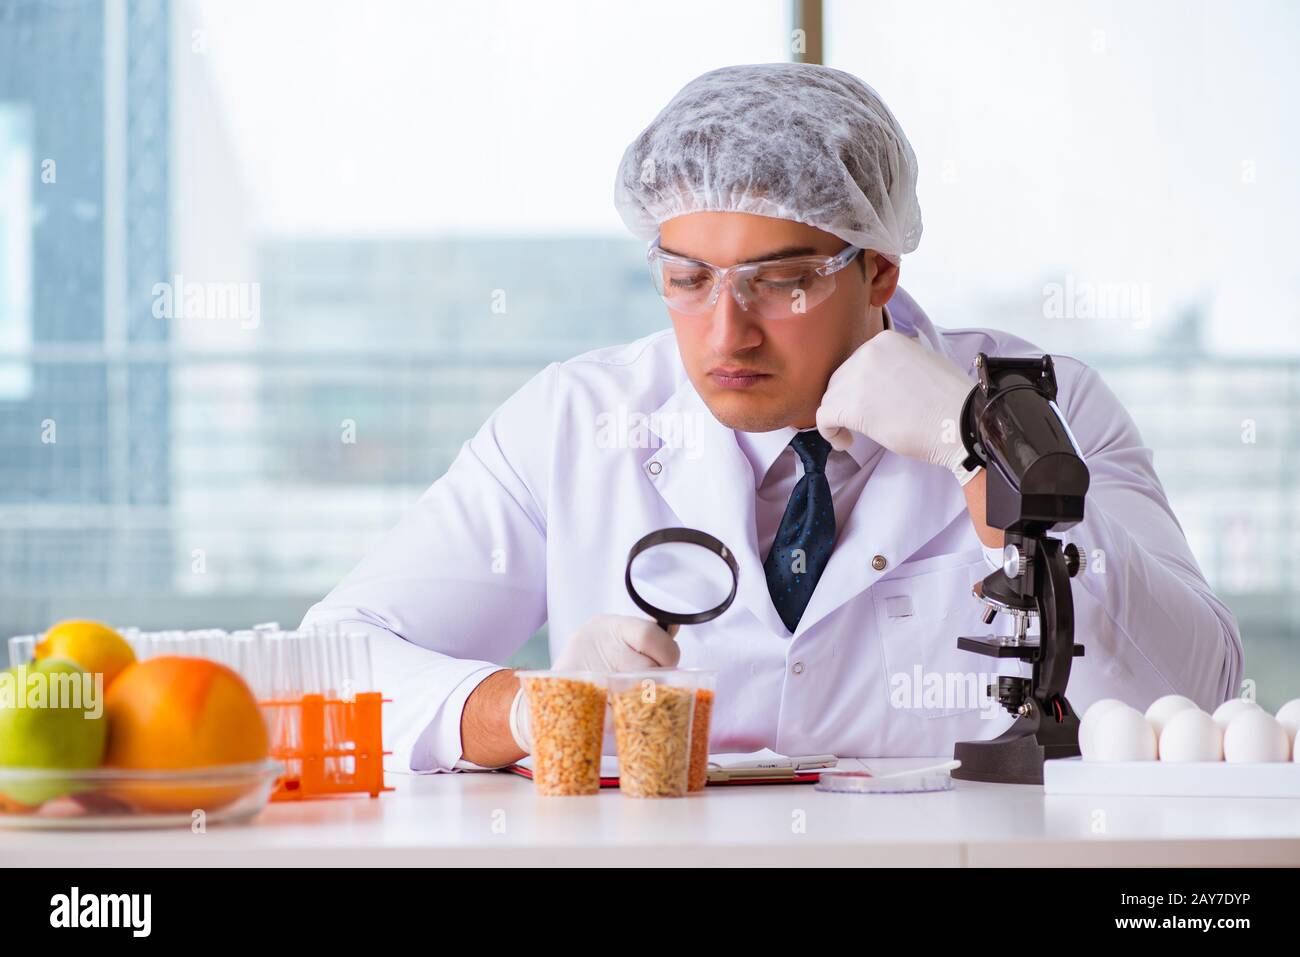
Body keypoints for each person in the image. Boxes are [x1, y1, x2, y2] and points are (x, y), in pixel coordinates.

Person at [301, 63, 1242, 772]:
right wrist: (535, 709)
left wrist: (983, 449)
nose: (726, 332)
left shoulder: (1049, 405)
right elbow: (331, 665)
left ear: (878, 267)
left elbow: (1199, 690)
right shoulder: (575, 424)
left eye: (780, 281)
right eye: (687, 278)